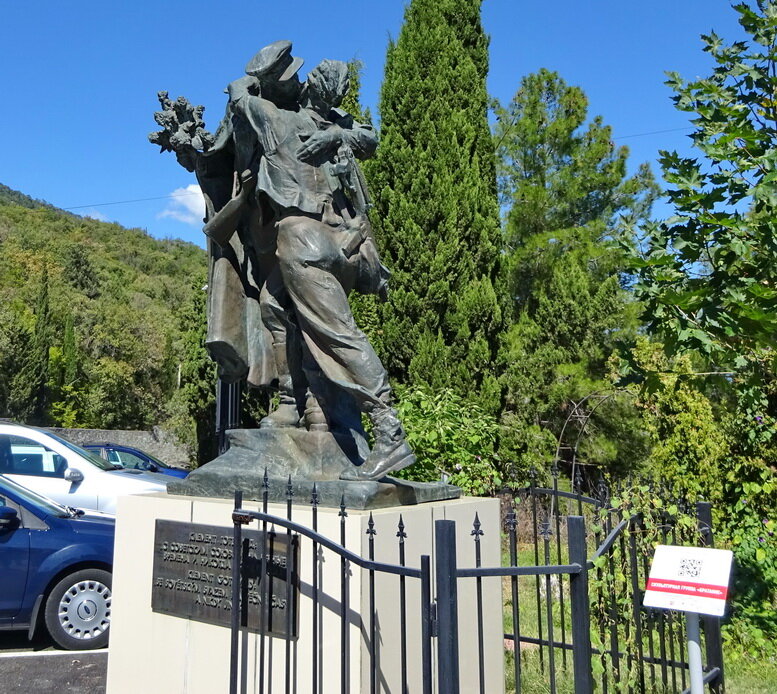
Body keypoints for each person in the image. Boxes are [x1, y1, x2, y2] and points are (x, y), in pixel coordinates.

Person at [221, 44, 414, 481]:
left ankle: (388, 430)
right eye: (288, 74)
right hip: (322, 239)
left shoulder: (271, 116)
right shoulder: (299, 115)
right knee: (274, 307)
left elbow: (238, 96)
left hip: (305, 239)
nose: (297, 79)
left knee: (334, 333)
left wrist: (336, 136)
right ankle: (297, 402)